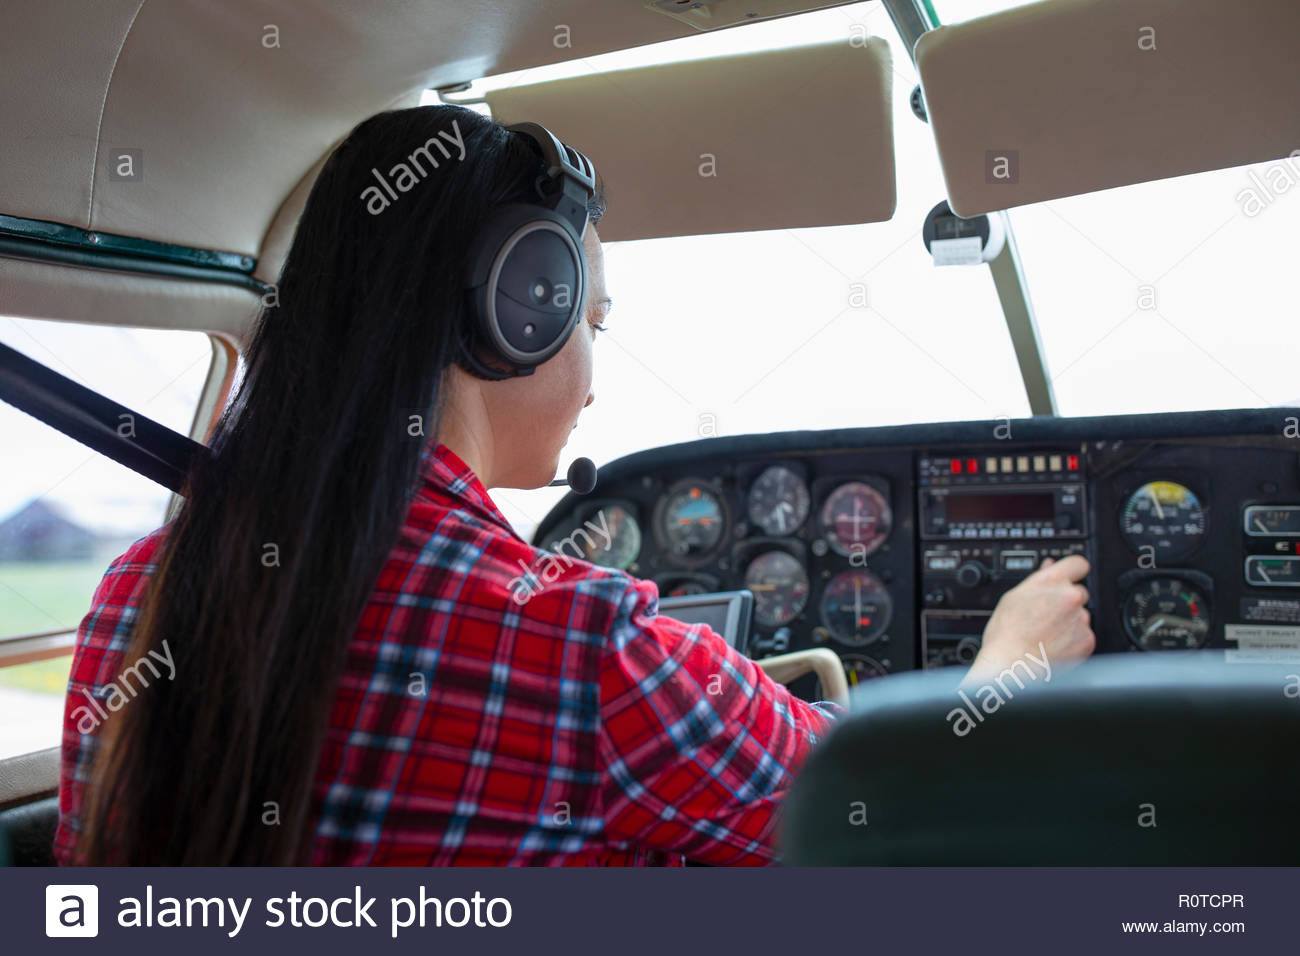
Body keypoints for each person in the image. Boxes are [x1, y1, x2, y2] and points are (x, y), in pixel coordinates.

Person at [53, 105, 1095, 866]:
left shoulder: (136, 596)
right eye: (588, 324)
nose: (594, 379)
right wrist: (1007, 661)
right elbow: (900, 812)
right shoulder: (582, 647)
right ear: (517, 318)